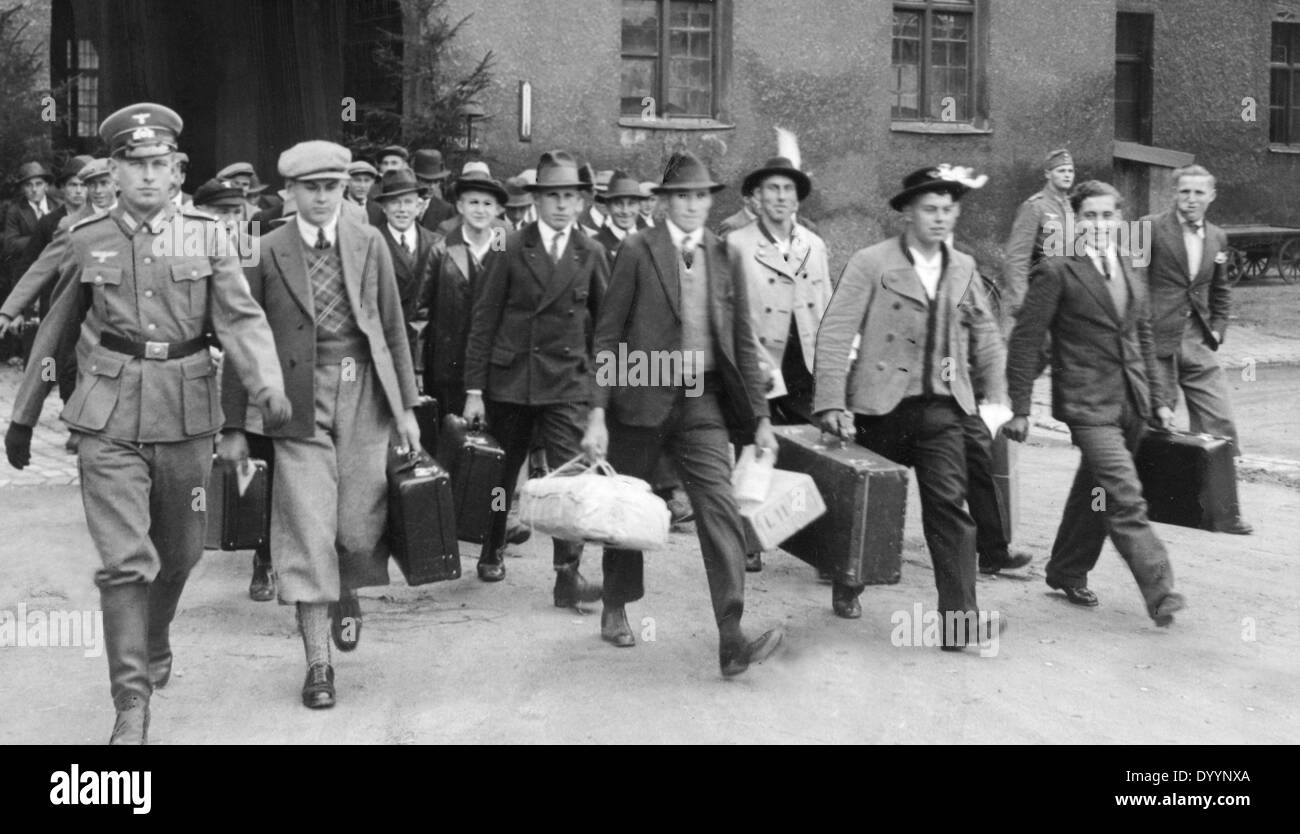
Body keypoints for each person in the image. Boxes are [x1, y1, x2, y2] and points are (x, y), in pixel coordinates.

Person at [3, 103, 291, 743]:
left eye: (160, 165)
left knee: (182, 553)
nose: (148, 177)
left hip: (186, 415)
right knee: (125, 563)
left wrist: (267, 383)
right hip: (105, 418)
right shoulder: (88, 236)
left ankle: (154, 636)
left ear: (178, 170)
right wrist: (24, 415)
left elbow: (240, 320)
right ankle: (130, 701)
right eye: (135, 165)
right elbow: (56, 328)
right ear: (114, 171)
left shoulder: (208, 236)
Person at [219, 140, 422, 709]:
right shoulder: (263, 251)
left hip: (365, 398)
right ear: (289, 192)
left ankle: (344, 590)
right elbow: (242, 339)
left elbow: (392, 327)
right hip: (295, 403)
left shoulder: (369, 242)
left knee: (357, 528)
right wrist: (233, 425)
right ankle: (318, 664)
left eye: (331, 187)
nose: (321, 197)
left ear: (344, 189)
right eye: (310, 188)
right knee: (308, 528)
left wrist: (406, 409)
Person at [582, 150, 784, 675]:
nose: (692, 205)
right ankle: (616, 605)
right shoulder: (635, 249)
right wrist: (598, 414)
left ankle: (731, 633)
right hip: (639, 398)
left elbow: (741, 338)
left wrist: (761, 417)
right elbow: (607, 336)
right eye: (682, 197)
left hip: (703, 402)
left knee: (718, 506)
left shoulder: (724, 256)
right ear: (665, 202)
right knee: (627, 512)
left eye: (700, 196)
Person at [813, 165, 1007, 649]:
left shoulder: (962, 267)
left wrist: (997, 395)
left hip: (942, 407)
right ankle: (847, 580)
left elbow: (985, 334)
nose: (941, 219)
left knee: (948, 508)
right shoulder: (871, 263)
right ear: (907, 214)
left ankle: (958, 623)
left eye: (948, 210)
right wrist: (832, 402)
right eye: (930, 209)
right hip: (880, 407)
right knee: (869, 507)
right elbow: (836, 332)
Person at [1005, 180, 1187, 626]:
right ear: (1075, 221)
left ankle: (1066, 569)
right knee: (1124, 495)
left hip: (1133, 402)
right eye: (1090, 216)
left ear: (1119, 221)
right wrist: (1021, 407)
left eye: (1108, 216)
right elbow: (1027, 341)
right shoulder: (1056, 271)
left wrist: (1159, 400)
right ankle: (1161, 592)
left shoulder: (1129, 264)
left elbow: (1141, 333)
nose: (1099, 225)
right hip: (1087, 404)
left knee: (1098, 491)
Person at [462, 149, 605, 604]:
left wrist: (601, 398)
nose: (562, 205)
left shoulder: (592, 251)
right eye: (552, 196)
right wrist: (474, 390)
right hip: (512, 380)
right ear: (537, 201)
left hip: (566, 383)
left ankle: (568, 575)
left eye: (570, 197)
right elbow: (484, 319)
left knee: (567, 481)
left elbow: (606, 329)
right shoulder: (508, 243)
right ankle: (492, 546)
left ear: (581, 203)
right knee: (503, 475)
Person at [727, 139, 832, 572]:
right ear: (755, 199)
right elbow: (730, 313)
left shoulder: (814, 244)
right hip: (760, 360)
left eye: (788, 191)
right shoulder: (736, 244)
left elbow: (825, 305)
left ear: (797, 198)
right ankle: (748, 539)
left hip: (803, 360)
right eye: (771, 190)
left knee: (814, 450)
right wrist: (753, 365)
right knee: (757, 447)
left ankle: (820, 547)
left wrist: (831, 364)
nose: (780, 198)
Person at [1136, 165, 1251, 535]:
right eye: (1185, 192)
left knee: (1221, 424)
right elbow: (1133, 281)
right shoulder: (1149, 228)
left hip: (1198, 342)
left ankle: (1224, 513)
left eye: (1199, 193)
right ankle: (1145, 508)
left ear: (1211, 196)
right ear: (1174, 193)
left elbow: (1221, 289)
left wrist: (1217, 330)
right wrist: (1139, 333)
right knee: (1156, 424)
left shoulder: (1218, 237)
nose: (1191, 200)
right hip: (1157, 341)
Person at [419, 163, 506, 415]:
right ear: (460, 207)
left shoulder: (505, 248)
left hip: (495, 367)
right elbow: (420, 313)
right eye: (473, 203)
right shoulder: (441, 249)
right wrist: (417, 368)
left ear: (498, 210)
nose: (480, 210)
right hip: (450, 364)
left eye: (488, 204)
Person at [1002, 148, 1075, 326]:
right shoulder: (1035, 207)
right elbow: (1017, 257)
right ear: (1048, 174)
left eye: (1070, 171)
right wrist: (1021, 301)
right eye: (1061, 171)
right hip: (1040, 291)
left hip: (1068, 295)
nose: (1067, 175)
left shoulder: (1072, 207)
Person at [374, 168, 439, 362]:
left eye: (408, 202)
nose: (402, 209)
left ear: (419, 207)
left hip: (424, 349)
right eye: (394, 202)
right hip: (384, 345)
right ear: (383, 207)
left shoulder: (436, 243)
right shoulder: (370, 243)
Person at [2, 162, 60, 364]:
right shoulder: (16, 210)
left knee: (52, 327)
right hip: (28, 274)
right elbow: (10, 244)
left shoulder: (58, 206)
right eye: (29, 185)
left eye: (38, 183)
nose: (34, 190)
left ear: (46, 185)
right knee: (33, 330)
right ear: (22, 188)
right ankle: (35, 375)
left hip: (55, 275)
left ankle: (50, 375)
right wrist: (40, 238)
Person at [589, 170, 643, 263]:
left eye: (631, 203)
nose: (625, 211)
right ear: (608, 206)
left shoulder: (652, 241)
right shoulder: (594, 245)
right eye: (618, 204)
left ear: (639, 206)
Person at [412, 149, 455, 231]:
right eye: (427, 181)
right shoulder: (403, 205)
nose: (432, 187)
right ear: (416, 178)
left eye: (436, 182)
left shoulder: (446, 210)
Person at [346, 160, 384, 226]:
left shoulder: (378, 210)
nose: (362, 186)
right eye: (357, 180)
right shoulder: (337, 207)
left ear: (373, 183)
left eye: (367, 181)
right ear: (347, 182)